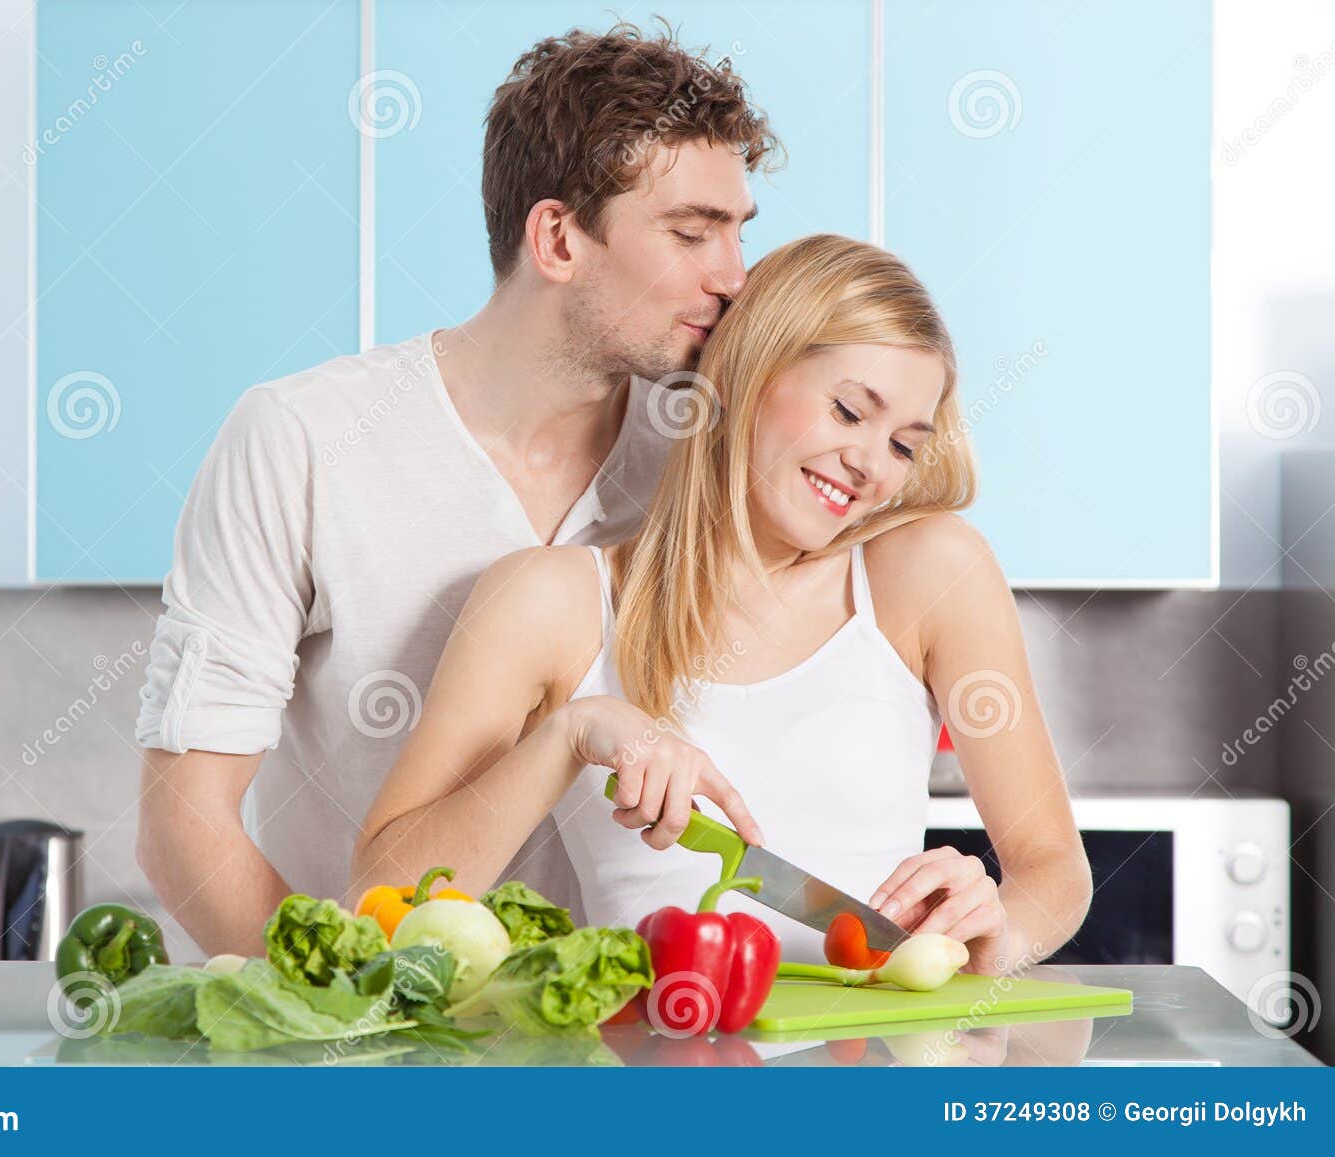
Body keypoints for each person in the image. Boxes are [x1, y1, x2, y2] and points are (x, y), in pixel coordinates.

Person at [133, 22, 780, 955]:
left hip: (628, 1046)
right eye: (692, 233)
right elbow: (182, 823)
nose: (735, 278)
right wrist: (345, 1016)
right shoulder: (302, 441)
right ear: (558, 237)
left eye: (738, 233)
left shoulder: (707, 456)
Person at [350, 234, 1093, 973]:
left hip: (878, 1070)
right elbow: (376, 901)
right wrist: (571, 734)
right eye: (847, 411)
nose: (870, 464)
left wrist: (997, 930)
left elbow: (1052, 867)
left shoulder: (930, 573)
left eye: (903, 444)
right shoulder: (548, 603)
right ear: (745, 372)